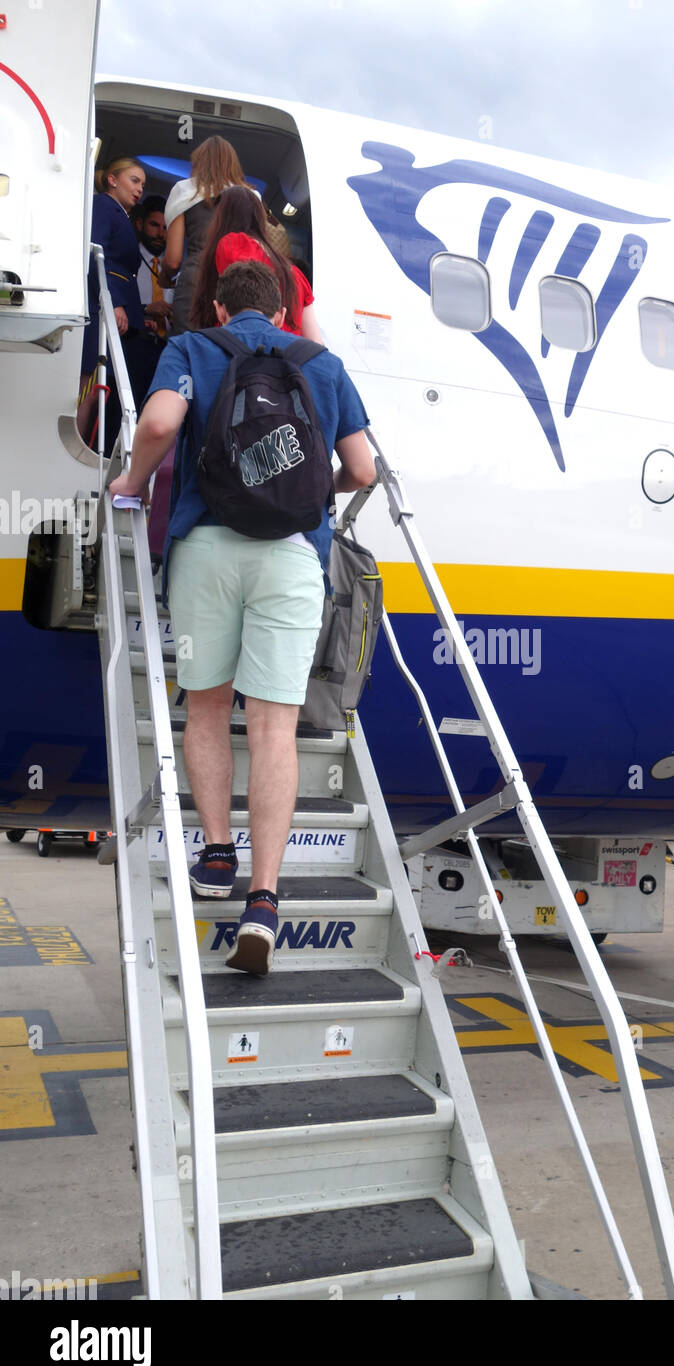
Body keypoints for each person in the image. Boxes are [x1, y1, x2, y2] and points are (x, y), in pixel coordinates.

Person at [108, 261, 376, 976]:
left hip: (206, 552)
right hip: (292, 557)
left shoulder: (194, 347)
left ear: (221, 308)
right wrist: (311, 491)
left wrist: (131, 483)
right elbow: (364, 471)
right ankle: (263, 901)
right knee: (274, 725)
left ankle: (217, 853)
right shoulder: (321, 363)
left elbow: (159, 422)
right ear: (283, 311)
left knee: (206, 707)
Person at [188, 185, 323, 342]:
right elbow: (316, 343)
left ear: (222, 218)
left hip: (241, 354)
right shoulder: (295, 274)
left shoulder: (233, 246)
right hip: (288, 356)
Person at [79, 157, 147, 447]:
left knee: (97, 387)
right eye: (134, 180)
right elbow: (97, 253)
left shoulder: (119, 213)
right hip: (100, 307)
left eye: (142, 184)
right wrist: (115, 302)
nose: (140, 188)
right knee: (89, 386)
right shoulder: (105, 206)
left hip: (107, 307)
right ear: (112, 179)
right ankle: (77, 444)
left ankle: (82, 445)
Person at [161, 136, 256, 333]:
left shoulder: (184, 190)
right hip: (240, 285)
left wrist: (165, 278)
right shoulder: (252, 197)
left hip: (195, 283)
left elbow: (173, 260)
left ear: (198, 162)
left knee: (190, 347)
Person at [131, 195, 174, 342]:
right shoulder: (129, 261)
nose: (161, 234)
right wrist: (146, 309)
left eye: (165, 228)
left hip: (166, 347)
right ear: (140, 224)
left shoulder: (173, 269)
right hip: (133, 342)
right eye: (154, 225)